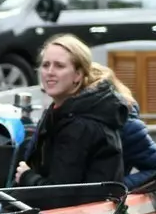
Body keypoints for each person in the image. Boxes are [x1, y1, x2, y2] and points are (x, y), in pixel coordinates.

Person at [15, 34, 129, 195]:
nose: (50, 72)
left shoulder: (81, 124)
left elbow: (61, 195)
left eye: (59, 66)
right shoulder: (59, 111)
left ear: (78, 75)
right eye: (46, 65)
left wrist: (26, 177)